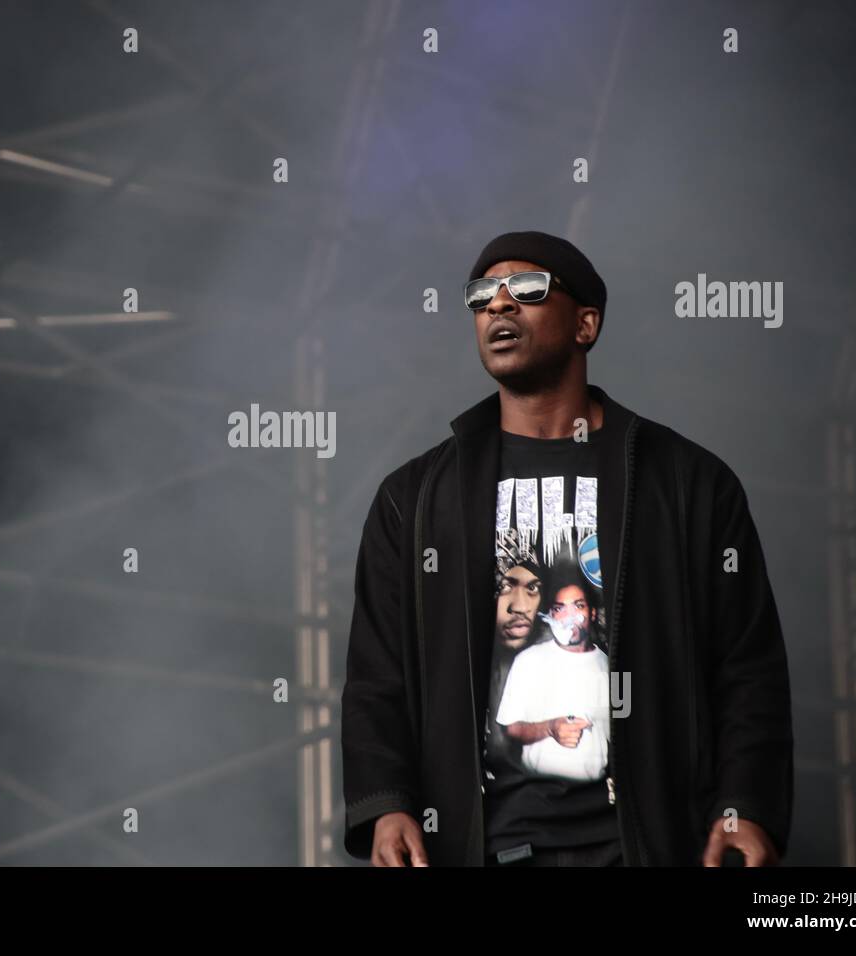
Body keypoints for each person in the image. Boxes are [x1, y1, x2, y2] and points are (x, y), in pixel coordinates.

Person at [340, 230, 793, 867]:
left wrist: (746, 802)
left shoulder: (687, 483)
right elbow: (376, 676)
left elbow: (747, 668)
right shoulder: (414, 500)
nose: (498, 306)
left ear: (585, 324)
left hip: (650, 843)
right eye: (481, 296)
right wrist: (387, 803)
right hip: (482, 845)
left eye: (525, 289)